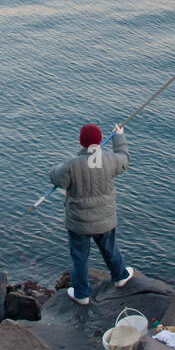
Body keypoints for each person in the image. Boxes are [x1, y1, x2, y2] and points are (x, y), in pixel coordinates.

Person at [49, 123, 134, 305]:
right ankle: (120, 276)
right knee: (110, 248)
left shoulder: (71, 165)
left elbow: (55, 177)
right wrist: (119, 137)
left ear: (81, 142)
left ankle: (82, 294)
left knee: (79, 258)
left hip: (78, 223)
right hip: (104, 220)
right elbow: (124, 159)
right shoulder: (110, 160)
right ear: (99, 140)